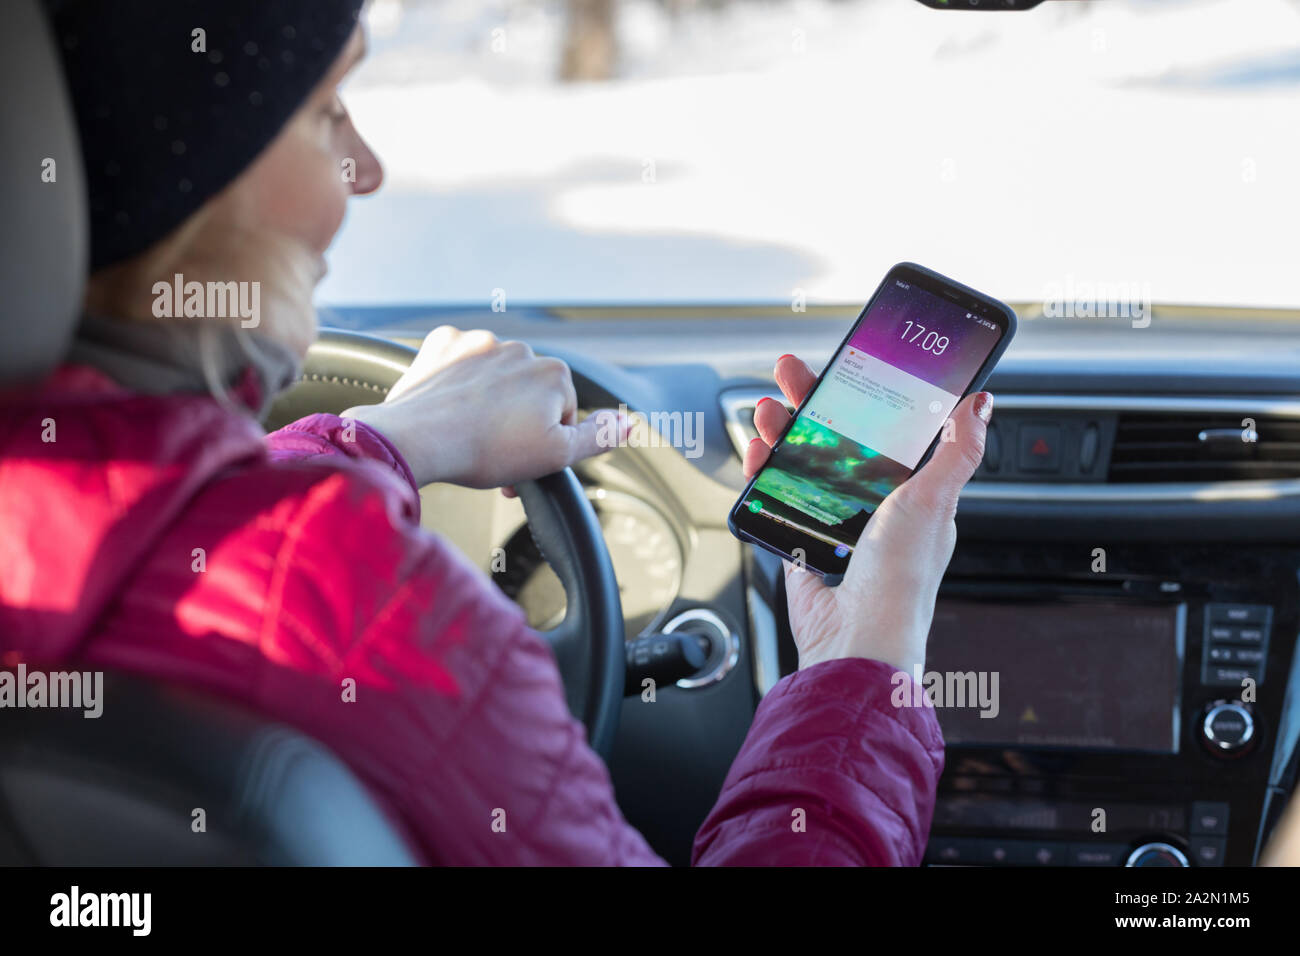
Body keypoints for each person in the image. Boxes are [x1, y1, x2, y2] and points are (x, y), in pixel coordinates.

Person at [0, 0, 992, 865]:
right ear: (187, 176)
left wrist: (375, 444)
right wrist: (866, 656)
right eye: (325, 113)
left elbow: (143, 552)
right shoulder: (377, 614)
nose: (368, 171)